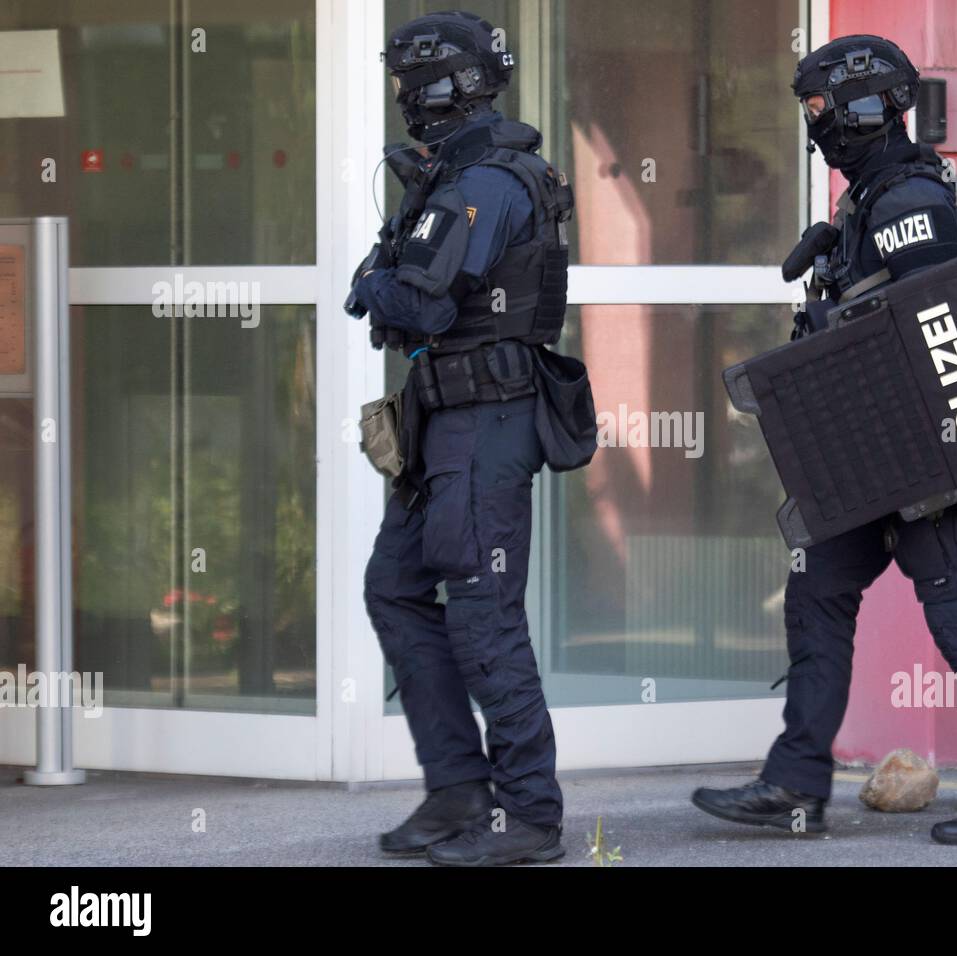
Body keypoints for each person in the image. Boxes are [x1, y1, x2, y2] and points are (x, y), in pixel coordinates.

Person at [690, 34, 957, 846]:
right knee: (817, 591)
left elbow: (935, 329)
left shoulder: (911, 202)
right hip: (876, 452)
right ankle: (795, 785)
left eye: (822, 108)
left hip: (924, 456)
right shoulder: (869, 197)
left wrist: (832, 325)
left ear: (866, 108)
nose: (815, 123)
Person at [351, 10, 577, 866]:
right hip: (446, 421)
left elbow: (420, 304)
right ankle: (455, 792)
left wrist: (377, 281)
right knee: (396, 587)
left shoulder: (488, 179)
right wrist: (388, 277)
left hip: (487, 423)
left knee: (482, 617)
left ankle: (531, 819)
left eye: (414, 84)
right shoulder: (450, 177)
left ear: (449, 87)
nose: (406, 99)